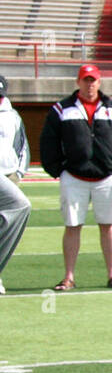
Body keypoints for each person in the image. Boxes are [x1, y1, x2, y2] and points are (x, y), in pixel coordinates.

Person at [40, 64, 112, 290]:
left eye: (93, 80)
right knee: (72, 225)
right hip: (74, 176)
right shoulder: (61, 109)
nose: (90, 84)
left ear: (99, 82)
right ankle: (69, 276)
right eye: (86, 79)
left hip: (107, 176)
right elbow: (48, 140)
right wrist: (56, 168)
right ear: (78, 82)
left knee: (108, 225)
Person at [0, 75, 31, 295]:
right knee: (21, 205)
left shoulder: (12, 116)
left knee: (20, 207)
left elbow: (22, 146)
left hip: (8, 176)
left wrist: (19, 172)